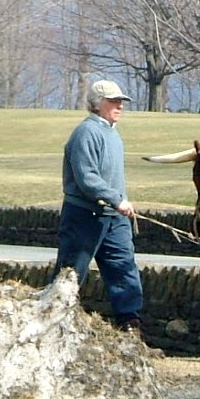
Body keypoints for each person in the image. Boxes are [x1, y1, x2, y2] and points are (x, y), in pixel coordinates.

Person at [53, 79, 144, 336]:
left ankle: (130, 325)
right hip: (84, 215)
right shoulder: (86, 132)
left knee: (123, 267)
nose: (119, 106)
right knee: (71, 273)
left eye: (120, 101)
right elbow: (87, 178)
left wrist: (118, 203)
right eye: (113, 101)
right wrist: (117, 199)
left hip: (114, 218)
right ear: (97, 104)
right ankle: (55, 324)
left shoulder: (112, 133)